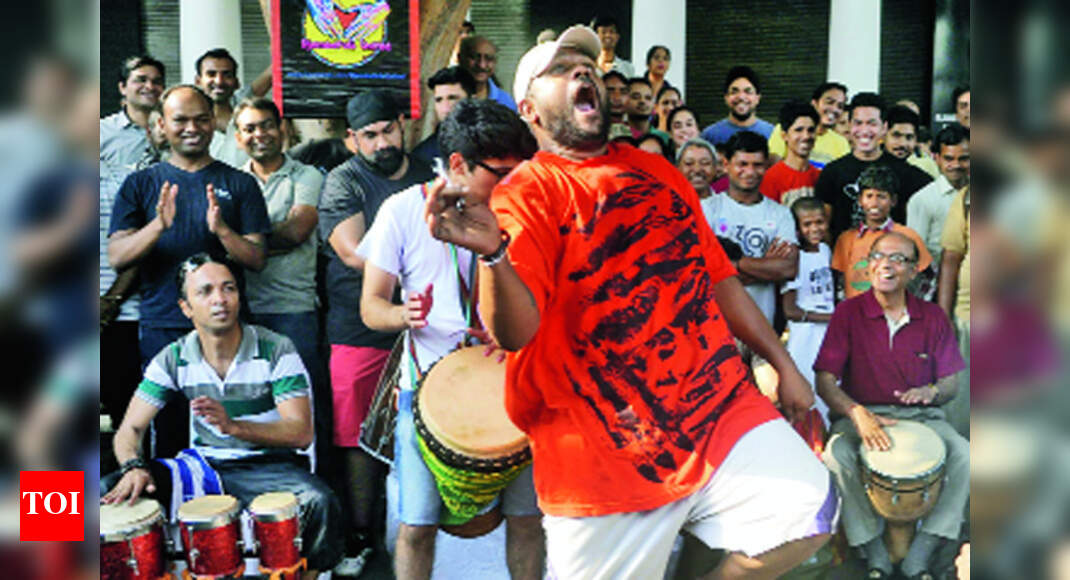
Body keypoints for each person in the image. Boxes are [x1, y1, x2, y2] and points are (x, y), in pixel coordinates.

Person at [425, 26, 834, 578]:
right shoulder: (527, 191)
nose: (582, 70)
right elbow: (516, 334)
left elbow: (719, 281)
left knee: (807, 511)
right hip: (599, 451)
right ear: (529, 110)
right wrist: (494, 255)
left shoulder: (660, 171)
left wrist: (783, 366)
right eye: (561, 68)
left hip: (713, 412)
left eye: (587, 64)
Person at [359, 99, 544, 580]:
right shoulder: (400, 210)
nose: (512, 183)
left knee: (527, 521)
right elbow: (370, 305)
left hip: (511, 390)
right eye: (500, 172)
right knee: (416, 527)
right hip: (424, 392)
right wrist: (404, 313)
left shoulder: (521, 213)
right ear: (458, 164)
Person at [100, 253, 343, 579]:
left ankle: (308, 574)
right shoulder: (174, 358)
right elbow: (130, 428)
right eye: (206, 291)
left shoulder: (275, 349)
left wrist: (233, 426)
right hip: (202, 468)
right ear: (186, 307)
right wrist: (133, 466)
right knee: (96, 488)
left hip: (270, 466)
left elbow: (300, 433)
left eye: (228, 288)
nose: (220, 299)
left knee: (320, 502)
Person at [108, 84, 271, 458]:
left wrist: (224, 232)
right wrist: (157, 227)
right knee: (168, 432)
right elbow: (118, 256)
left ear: (214, 122)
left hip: (226, 330)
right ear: (162, 125)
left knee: (230, 434)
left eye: (201, 119)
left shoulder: (239, 183)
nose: (192, 128)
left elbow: (257, 258)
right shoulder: (141, 183)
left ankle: (224, 514)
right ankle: (171, 509)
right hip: (162, 326)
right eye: (180, 120)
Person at [318, 88, 435, 570]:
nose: (382, 142)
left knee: (430, 428)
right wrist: (420, 263)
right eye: (370, 135)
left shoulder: (430, 176)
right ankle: (362, 533)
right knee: (357, 438)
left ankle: (425, 528)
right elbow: (352, 251)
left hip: (427, 327)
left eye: (388, 130)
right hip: (357, 329)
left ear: (403, 126)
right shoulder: (342, 181)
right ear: (352, 140)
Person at [816, 232, 968, 580]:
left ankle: (926, 547)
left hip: (923, 417)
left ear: (913, 271)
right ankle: (871, 548)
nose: (887, 264)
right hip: (862, 412)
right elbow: (825, 379)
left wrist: (931, 392)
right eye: (879, 256)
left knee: (965, 454)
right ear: (868, 266)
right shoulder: (848, 313)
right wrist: (857, 414)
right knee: (836, 458)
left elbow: (951, 384)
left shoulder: (932, 316)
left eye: (898, 259)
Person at [233, 97, 329, 463]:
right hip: (243, 312)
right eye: (250, 128)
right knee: (254, 407)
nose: (260, 134)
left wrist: (240, 240)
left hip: (294, 310)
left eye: (267, 125)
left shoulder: (307, 175)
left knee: (303, 403)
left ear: (283, 128)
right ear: (239, 137)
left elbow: (296, 231)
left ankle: (314, 485)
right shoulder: (232, 179)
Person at [702, 131, 799, 325]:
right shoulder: (707, 209)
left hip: (763, 327)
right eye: (742, 164)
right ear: (726, 165)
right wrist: (764, 264)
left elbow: (788, 268)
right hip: (717, 327)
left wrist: (733, 266)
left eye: (757, 165)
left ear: (766, 167)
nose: (750, 172)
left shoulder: (780, 213)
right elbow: (704, 269)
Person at [814, 92, 932, 239]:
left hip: (890, 257)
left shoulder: (905, 172)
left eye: (872, 123)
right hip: (845, 257)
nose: (864, 130)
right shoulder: (832, 172)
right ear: (849, 126)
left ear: (884, 128)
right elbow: (824, 227)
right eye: (858, 123)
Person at [830, 165, 931, 300]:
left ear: (893, 201)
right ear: (860, 200)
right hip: (856, 314)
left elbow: (926, 276)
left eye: (881, 197)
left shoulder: (907, 236)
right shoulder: (846, 239)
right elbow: (840, 282)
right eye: (869, 196)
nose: (874, 203)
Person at [781, 197, 835, 425]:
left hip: (827, 331)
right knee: (808, 384)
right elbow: (790, 310)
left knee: (829, 386)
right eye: (808, 224)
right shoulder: (794, 257)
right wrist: (828, 317)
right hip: (805, 333)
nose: (815, 229)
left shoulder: (825, 249)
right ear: (797, 228)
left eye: (819, 222)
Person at [193, 48, 272, 168]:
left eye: (227, 75)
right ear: (198, 81)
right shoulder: (189, 121)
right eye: (211, 74)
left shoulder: (245, 110)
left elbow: (273, 71)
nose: (219, 81)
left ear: (236, 82)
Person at [907, 124, 970, 274]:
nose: (956, 165)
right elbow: (916, 251)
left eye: (963, 159)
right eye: (949, 158)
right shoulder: (922, 199)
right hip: (936, 282)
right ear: (936, 158)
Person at [100, 55, 166, 172]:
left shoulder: (175, 129)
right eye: (141, 80)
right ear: (122, 88)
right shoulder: (101, 133)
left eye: (157, 82)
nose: (150, 87)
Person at [766, 81, 850, 169]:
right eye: (829, 102)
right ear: (814, 103)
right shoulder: (786, 128)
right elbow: (774, 167)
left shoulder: (841, 143)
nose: (834, 109)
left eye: (840, 106)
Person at [760, 100, 822, 206]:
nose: (806, 136)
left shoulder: (821, 177)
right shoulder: (770, 179)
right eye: (799, 130)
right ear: (784, 136)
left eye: (811, 130)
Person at [410, 66, 477, 164]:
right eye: (439, 100)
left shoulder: (493, 141)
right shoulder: (423, 155)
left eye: (452, 98)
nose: (445, 108)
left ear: (472, 101)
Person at [700, 66, 775, 146]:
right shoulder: (710, 136)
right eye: (734, 92)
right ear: (726, 97)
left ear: (757, 98)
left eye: (748, 92)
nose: (741, 97)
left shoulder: (772, 134)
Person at [458, 36, 517, 111]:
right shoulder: (446, 96)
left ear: (495, 62)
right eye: (475, 57)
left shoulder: (504, 102)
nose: (482, 65)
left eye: (489, 58)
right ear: (460, 59)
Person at [884, 104, 940, 178]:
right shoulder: (869, 169)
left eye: (909, 137)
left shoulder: (924, 174)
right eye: (896, 136)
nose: (903, 144)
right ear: (883, 134)